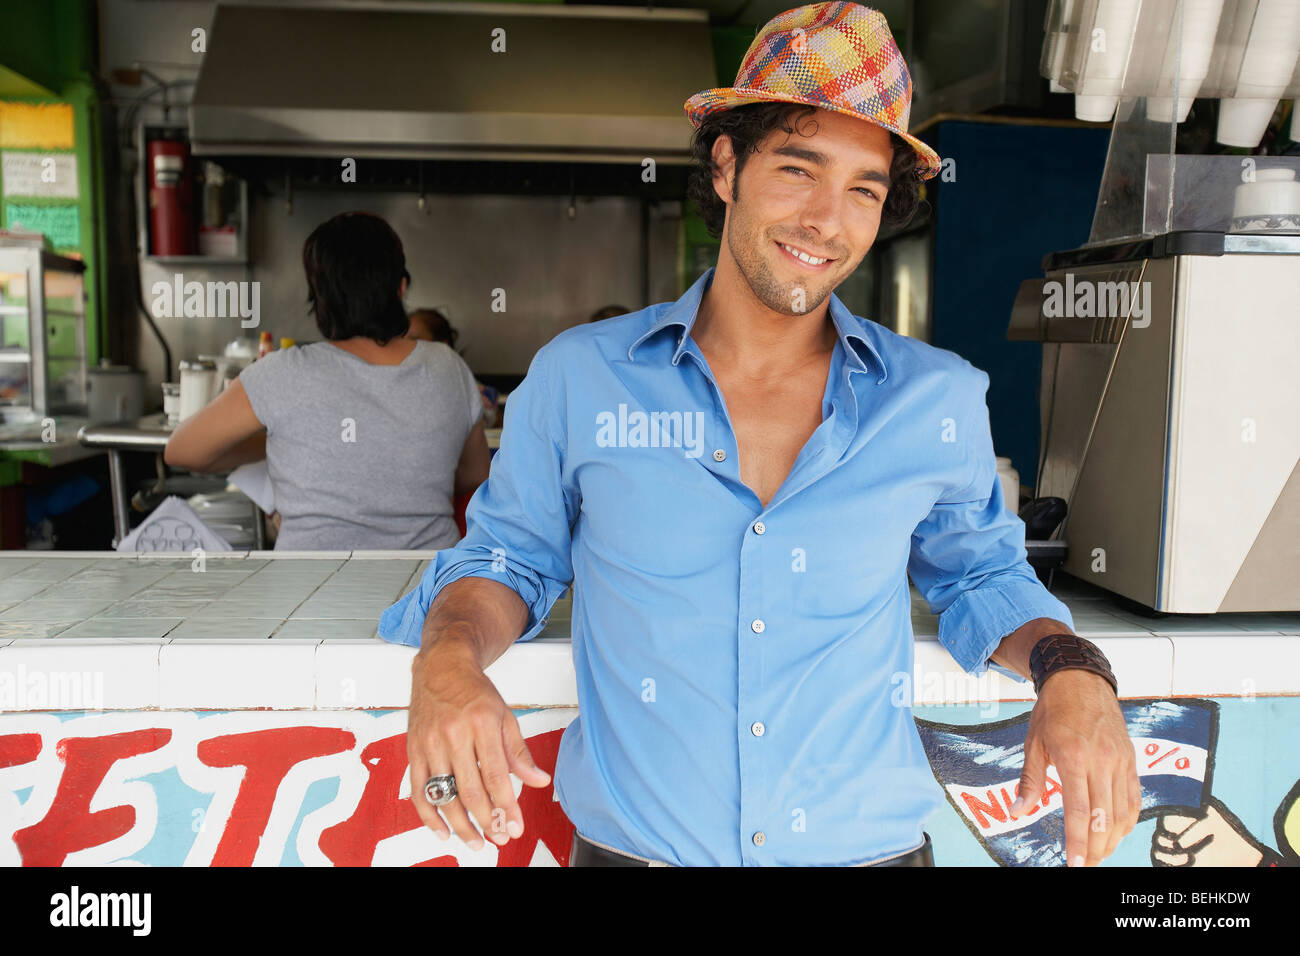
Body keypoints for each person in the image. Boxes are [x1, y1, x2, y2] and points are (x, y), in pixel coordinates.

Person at [381, 2, 1138, 866]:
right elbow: (509, 559)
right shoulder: (580, 377)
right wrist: (444, 663)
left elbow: (982, 575)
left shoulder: (934, 399)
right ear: (728, 165)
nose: (828, 219)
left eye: (864, 188)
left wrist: (1073, 669)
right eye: (798, 170)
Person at [164, 211, 491, 550]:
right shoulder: (447, 366)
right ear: (401, 287)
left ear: (319, 297)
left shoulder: (282, 372)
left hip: (310, 590)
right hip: (427, 589)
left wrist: (280, 443)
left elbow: (182, 452)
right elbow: (475, 472)